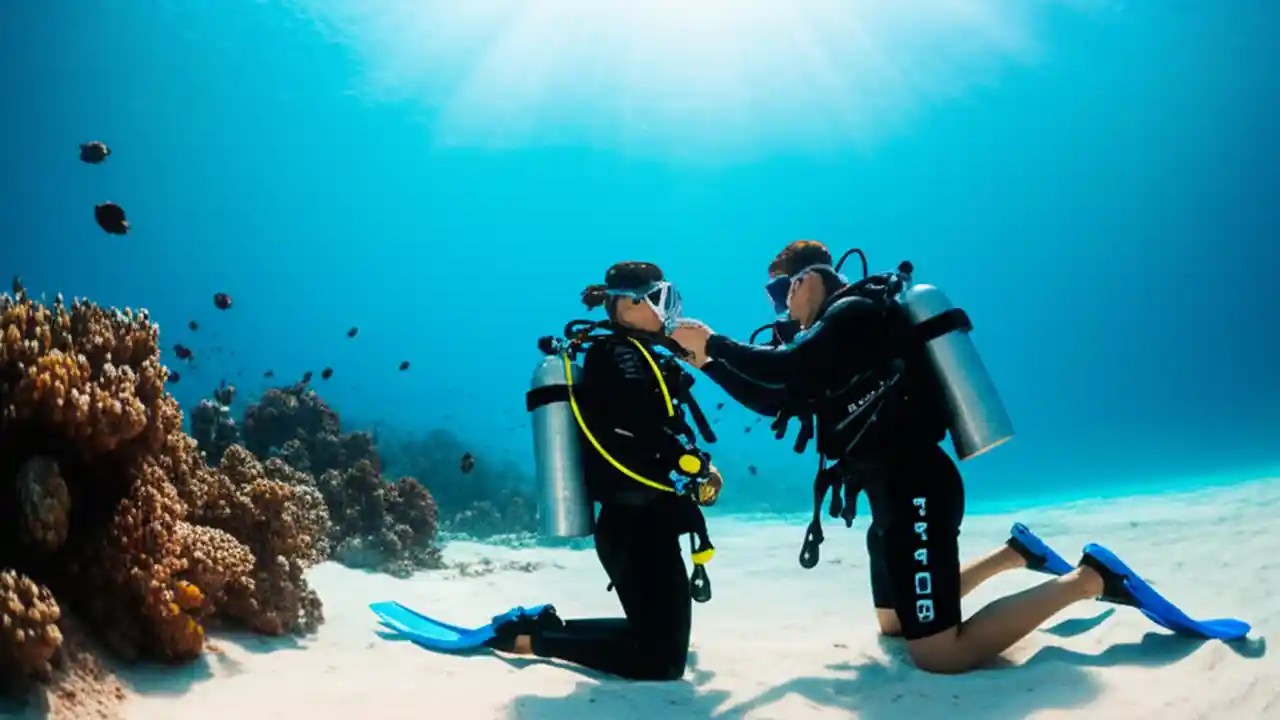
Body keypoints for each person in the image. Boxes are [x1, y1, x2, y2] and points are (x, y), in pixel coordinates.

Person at [671, 240, 1120, 674]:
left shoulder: (854, 314)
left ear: (804, 281)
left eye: (778, 293)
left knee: (939, 655)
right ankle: (1015, 554)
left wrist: (715, 344)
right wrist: (708, 364)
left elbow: (788, 366)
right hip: (887, 497)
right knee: (894, 625)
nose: (780, 310)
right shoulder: (827, 345)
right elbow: (772, 399)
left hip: (917, 489)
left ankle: (1090, 579)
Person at [490, 261, 723, 681]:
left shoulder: (635, 355)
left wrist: (694, 466)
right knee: (660, 662)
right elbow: (636, 430)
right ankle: (529, 640)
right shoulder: (616, 356)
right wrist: (695, 466)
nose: (666, 311)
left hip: (644, 519)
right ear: (628, 306)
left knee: (661, 645)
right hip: (633, 525)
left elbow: (654, 430)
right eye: (660, 300)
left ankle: (543, 627)